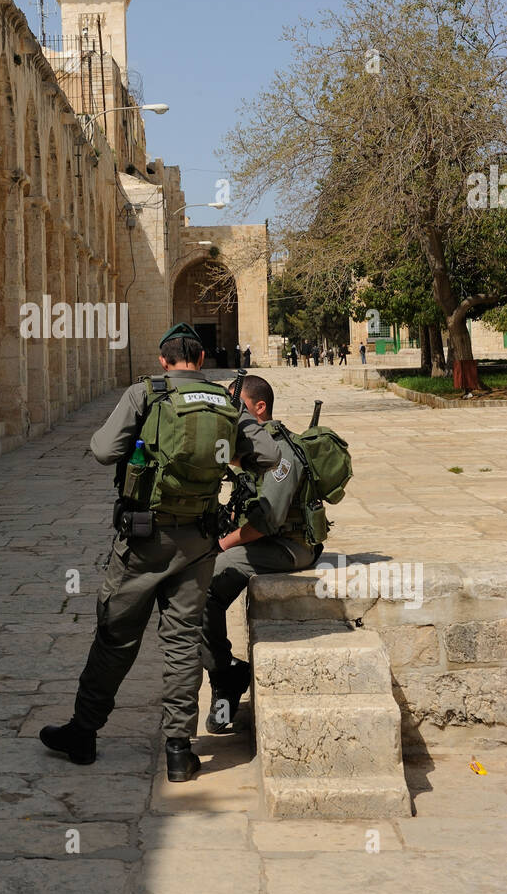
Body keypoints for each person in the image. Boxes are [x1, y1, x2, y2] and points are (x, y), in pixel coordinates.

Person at [39, 323, 282, 783]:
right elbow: (267, 453)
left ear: (163, 359)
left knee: (115, 636)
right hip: (199, 543)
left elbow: (102, 450)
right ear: (203, 358)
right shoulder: (226, 400)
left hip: (143, 540)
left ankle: (84, 732)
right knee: (182, 641)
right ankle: (178, 750)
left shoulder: (145, 393)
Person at [201, 375, 321, 732]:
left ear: (259, 408)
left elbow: (267, 522)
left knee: (206, 582)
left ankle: (225, 678)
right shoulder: (252, 446)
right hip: (263, 541)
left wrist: (222, 544)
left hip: (289, 547)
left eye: (237, 410)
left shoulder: (280, 452)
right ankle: (225, 671)